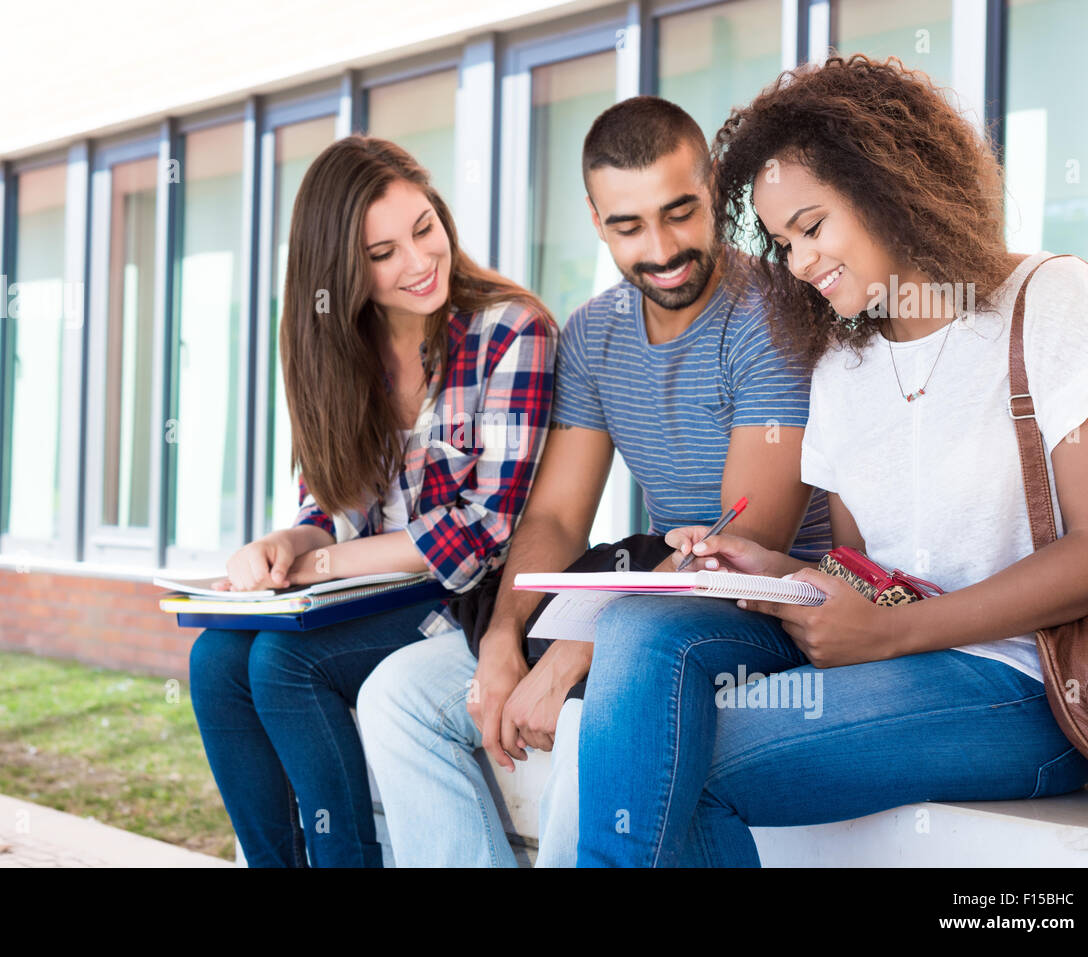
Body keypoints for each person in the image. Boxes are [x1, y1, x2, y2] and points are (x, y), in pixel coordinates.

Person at [575, 55, 1088, 867]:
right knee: (640, 627)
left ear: (885, 186)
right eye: (781, 240)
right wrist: (766, 569)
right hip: (894, 662)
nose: (796, 262)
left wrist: (897, 631)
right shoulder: (841, 361)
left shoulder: (1045, 299)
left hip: (1023, 686)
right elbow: (868, 570)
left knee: (676, 764)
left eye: (812, 226)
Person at [356, 96, 831, 867]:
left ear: (715, 188)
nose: (664, 248)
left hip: (758, 610)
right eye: (629, 225)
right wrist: (507, 636)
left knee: (595, 714)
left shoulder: (772, 317)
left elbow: (742, 543)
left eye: (681, 212)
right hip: (645, 596)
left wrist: (577, 647)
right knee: (397, 695)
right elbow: (555, 517)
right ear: (594, 217)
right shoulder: (594, 331)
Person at [188, 135, 557, 867]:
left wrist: (322, 561)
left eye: (425, 229)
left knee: (282, 667)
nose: (420, 262)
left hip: (464, 607)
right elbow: (331, 499)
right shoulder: (337, 349)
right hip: (367, 595)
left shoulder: (512, 331)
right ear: (342, 270)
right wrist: (290, 544)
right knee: (214, 662)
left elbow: (482, 530)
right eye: (383, 253)